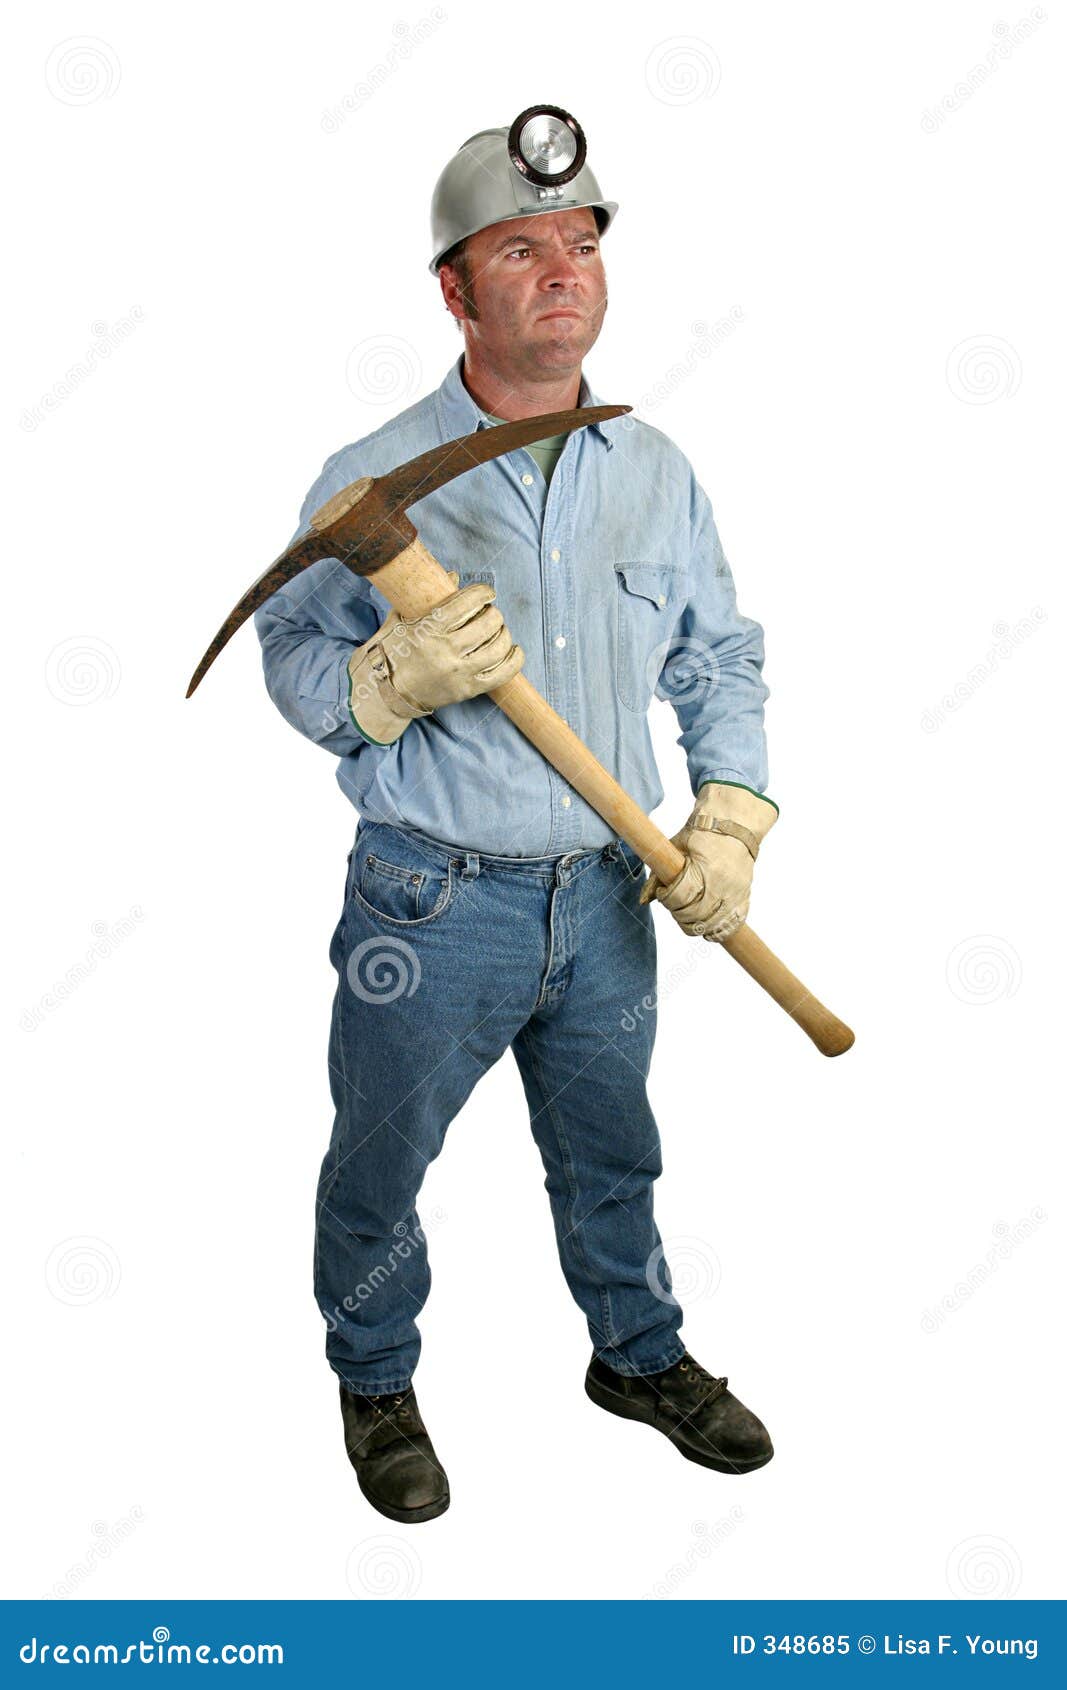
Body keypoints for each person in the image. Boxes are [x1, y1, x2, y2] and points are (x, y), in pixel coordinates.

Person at [255, 106, 779, 1525]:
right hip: (430, 905)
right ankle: (375, 1377)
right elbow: (289, 655)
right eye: (520, 249)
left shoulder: (656, 470)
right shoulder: (370, 478)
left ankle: (637, 1353)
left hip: (612, 892)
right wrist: (385, 680)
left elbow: (719, 655)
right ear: (454, 288)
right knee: (380, 1162)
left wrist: (730, 819)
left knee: (614, 1150)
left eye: (581, 246)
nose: (562, 272)